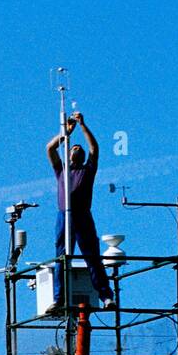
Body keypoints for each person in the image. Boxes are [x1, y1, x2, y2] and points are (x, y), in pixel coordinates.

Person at [45, 112, 114, 309]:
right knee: (62, 258)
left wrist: (82, 125)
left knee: (92, 257)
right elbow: (50, 148)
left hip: (83, 215)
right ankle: (59, 299)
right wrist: (65, 133)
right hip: (64, 216)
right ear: (68, 153)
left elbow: (94, 148)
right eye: (73, 147)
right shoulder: (61, 170)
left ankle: (106, 296)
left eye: (79, 148)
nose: (77, 149)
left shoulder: (88, 170)